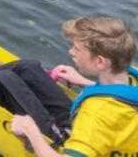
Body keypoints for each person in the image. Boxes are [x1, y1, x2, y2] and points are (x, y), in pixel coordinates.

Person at [11, 16, 138, 156]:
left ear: (100, 61)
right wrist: (84, 82)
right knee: (28, 69)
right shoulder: (132, 78)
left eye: (77, 49)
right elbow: (121, 94)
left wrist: (30, 131)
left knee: (6, 79)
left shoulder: (95, 114)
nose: (71, 52)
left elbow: (102, 117)